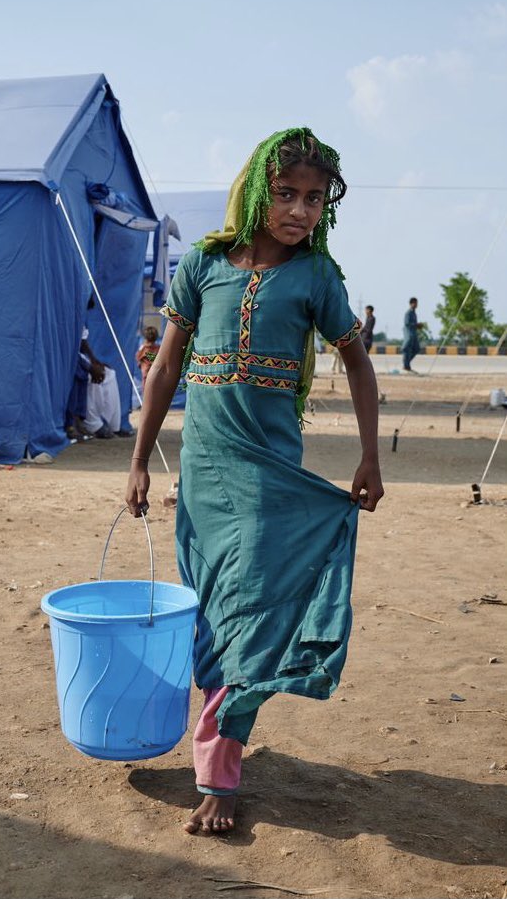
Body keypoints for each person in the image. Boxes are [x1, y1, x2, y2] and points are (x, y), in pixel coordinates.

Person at [125, 127, 383, 836]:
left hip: (271, 481)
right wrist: (141, 458)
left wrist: (370, 456)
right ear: (255, 190)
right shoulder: (204, 264)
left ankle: (218, 773)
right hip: (205, 478)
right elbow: (166, 369)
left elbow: (358, 364)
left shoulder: (317, 278)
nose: (301, 210)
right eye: (287, 193)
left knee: (250, 616)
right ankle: (221, 750)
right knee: (212, 616)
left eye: (315, 199)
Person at [402, 297, 424, 372]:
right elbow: (407, 323)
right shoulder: (408, 313)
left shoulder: (414, 313)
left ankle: (407, 363)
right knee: (406, 349)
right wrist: (416, 325)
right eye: (415, 303)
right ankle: (406, 366)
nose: (416, 305)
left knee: (416, 349)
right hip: (409, 334)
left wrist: (417, 326)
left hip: (414, 334)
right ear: (411, 303)